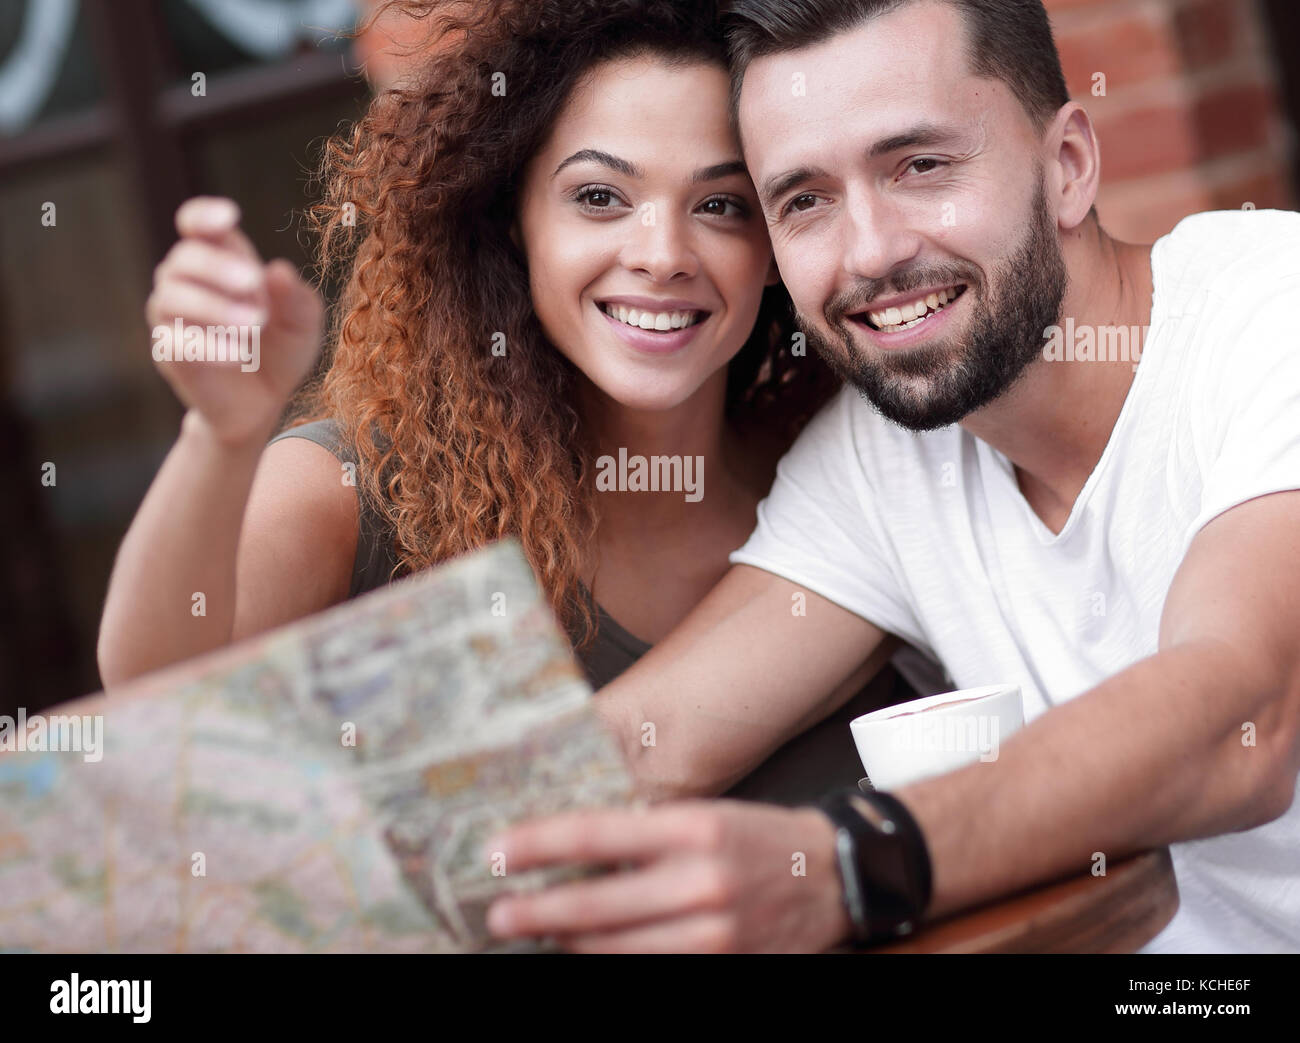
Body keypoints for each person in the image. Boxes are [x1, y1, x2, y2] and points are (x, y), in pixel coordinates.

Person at [483, 0, 1300, 953]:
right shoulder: (886, 455)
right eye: (805, 200)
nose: (870, 252)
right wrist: (329, 880)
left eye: (919, 166)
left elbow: (1245, 714)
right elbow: (648, 743)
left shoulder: (1267, 314)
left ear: (1068, 164)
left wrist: (847, 864)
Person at [95, 0, 904, 804]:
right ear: (514, 221)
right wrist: (221, 437)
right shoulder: (364, 492)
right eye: (599, 197)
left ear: (773, 243)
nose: (662, 256)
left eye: (720, 206)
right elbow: (154, 693)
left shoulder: (841, 474)